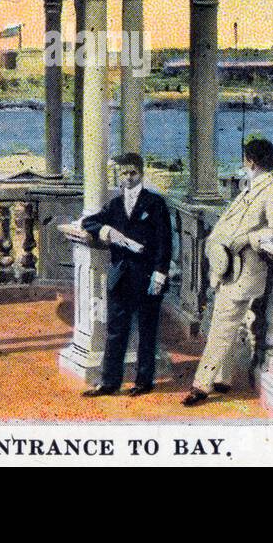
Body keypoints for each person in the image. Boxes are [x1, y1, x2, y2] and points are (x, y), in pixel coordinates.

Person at [182, 137, 273, 406]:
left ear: (250, 161)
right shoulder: (252, 187)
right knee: (226, 325)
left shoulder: (271, 190)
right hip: (230, 270)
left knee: (221, 327)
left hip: (244, 272)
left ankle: (201, 385)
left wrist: (249, 238)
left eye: (246, 159)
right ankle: (224, 378)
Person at [79, 152, 174, 397]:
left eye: (133, 172)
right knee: (115, 330)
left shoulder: (155, 203)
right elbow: (89, 222)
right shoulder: (114, 205)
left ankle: (144, 381)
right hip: (120, 277)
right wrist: (108, 231)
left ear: (141, 174)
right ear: (119, 176)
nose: (128, 177)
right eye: (124, 173)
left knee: (147, 330)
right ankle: (109, 383)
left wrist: (160, 273)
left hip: (148, 277)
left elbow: (165, 242)